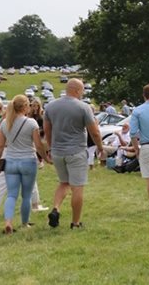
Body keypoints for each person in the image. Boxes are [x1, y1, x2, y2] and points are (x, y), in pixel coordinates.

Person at [44, 78, 103, 229]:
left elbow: (47, 130)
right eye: (82, 90)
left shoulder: (50, 106)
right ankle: (75, 222)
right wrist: (100, 148)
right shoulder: (83, 107)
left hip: (57, 151)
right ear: (77, 90)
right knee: (77, 187)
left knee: (64, 183)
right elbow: (94, 132)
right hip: (76, 151)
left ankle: (56, 208)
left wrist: (50, 148)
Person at [0, 95, 49, 234]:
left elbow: (0, 146)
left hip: (10, 161)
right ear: (24, 107)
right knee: (26, 195)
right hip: (28, 161)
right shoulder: (31, 123)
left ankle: (8, 222)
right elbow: (38, 144)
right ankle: (24, 222)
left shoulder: (5, 123)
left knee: (11, 195)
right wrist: (46, 158)